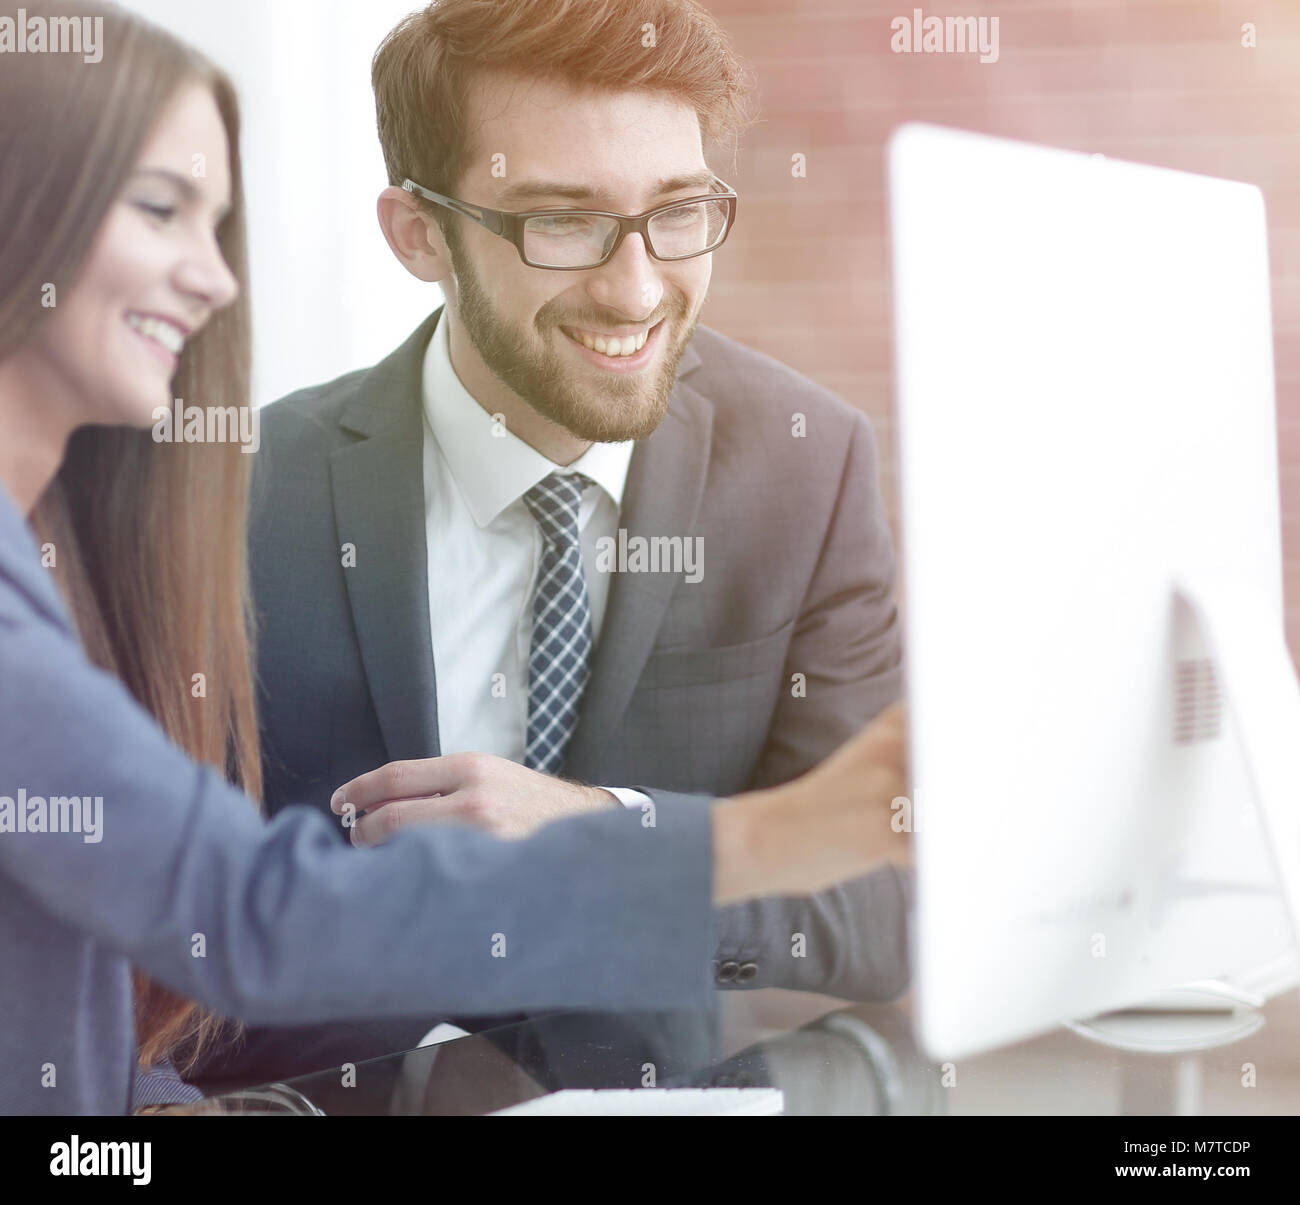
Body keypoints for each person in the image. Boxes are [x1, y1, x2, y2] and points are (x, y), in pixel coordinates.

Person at [0, 0, 908, 1115]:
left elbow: (884, 903)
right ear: (417, 232)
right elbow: (153, 920)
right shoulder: (224, 491)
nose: (634, 288)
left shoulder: (807, 469)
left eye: (676, 213)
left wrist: (606, 824)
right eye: (558, 223)